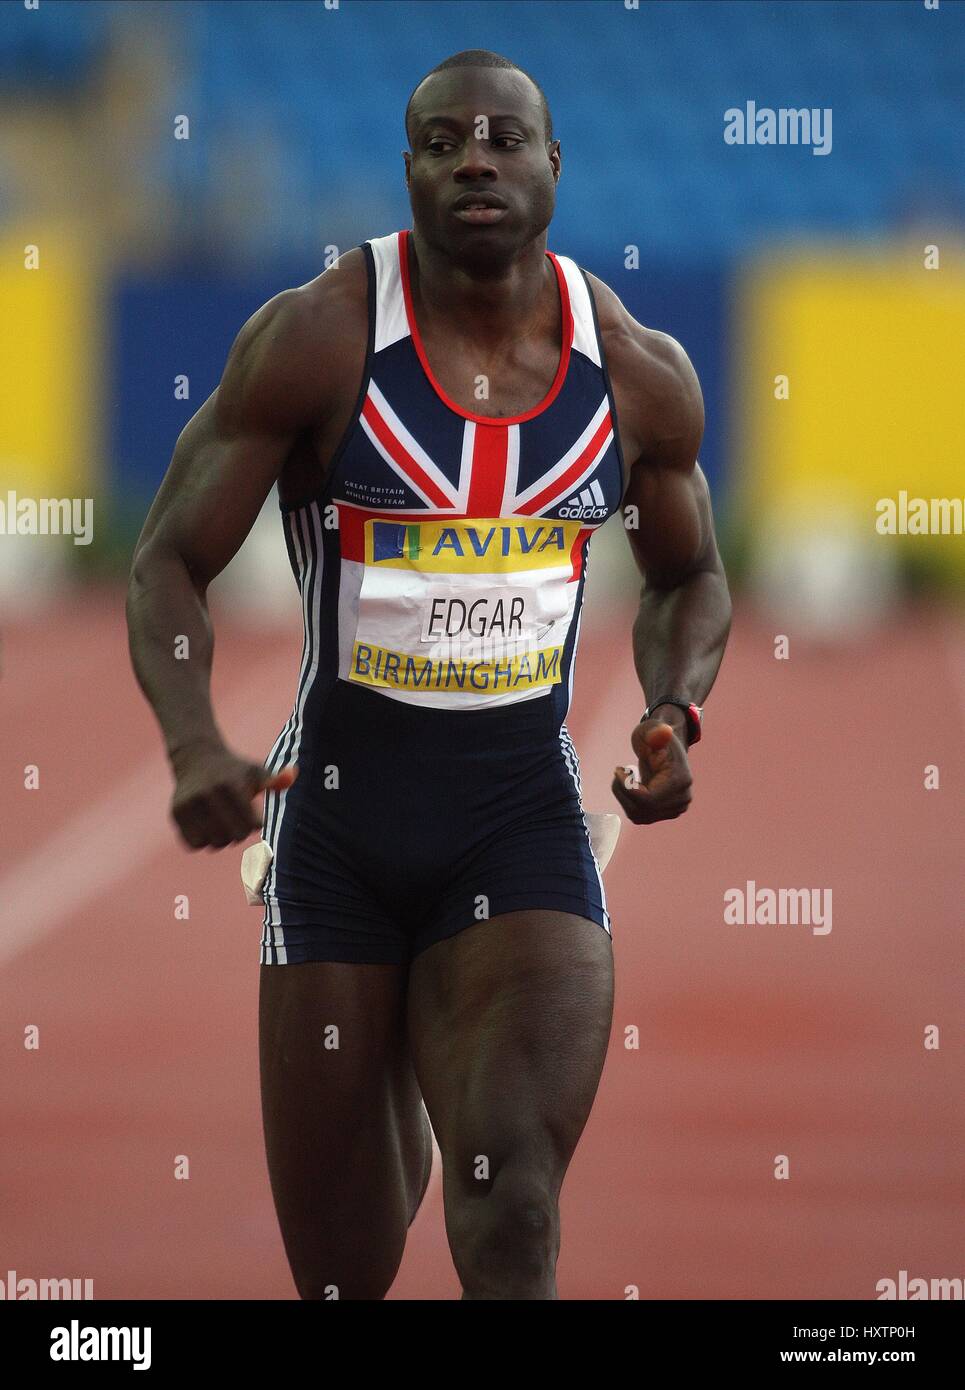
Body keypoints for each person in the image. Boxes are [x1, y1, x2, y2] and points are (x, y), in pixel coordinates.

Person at [126, 49, 731, 1300]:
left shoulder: (632, 372)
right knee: (345, 1268)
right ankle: (401, 1060)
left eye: (504, 138)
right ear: (405, 168)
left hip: (519, 818)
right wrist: (193, 744)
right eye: (442, 139)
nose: (474, 159)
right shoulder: (317, 339)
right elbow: (167, 564)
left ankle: (439, 1061)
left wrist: (673, 709)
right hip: (337, 826)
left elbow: (689, 578)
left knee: (508, 1205)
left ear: (551, 166)